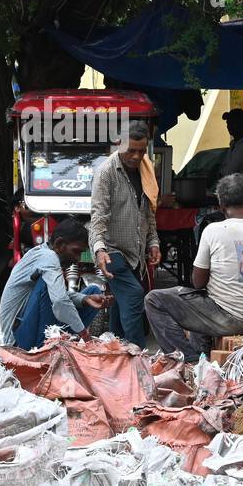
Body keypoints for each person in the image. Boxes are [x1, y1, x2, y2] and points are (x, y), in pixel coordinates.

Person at [145, 174, 243, 360]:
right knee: (204, 300)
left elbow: (197, 281)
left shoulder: (213, 230)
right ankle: (202, 355)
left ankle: (188, 359)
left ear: (221, 205)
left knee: (154, 299)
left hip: (229, 318)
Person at [89, 120, 161, 345]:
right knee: (133, 294)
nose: (137, 156)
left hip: (135, 251)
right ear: (119, 145)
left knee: (121, 304)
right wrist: (99, 249)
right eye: (131, 150)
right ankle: (136, 354)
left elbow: (148, 213)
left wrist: (153, 242)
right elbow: (98, 216)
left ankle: (116, 351)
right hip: (111, 249)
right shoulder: (106, 173)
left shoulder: (146, 170)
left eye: (141, 151)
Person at [0, 218, 107, 348]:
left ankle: (64, 342)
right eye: (76, 252)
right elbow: (60, 301)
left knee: (93, 291)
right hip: (18, 339)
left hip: (30, 326)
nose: (77, 259)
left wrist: (85, 299)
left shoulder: (46, 256)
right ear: (60, 244)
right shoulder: (48, 257)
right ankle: (48, 346)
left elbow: (59, 297)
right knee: (49, 288)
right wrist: (85, 335)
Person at [218, 108, 243, 180]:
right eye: (228, 123)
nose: (228, 126)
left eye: (232, 123)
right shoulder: (235, 145)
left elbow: (227, 172)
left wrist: (219, 173)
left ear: (241, 124)